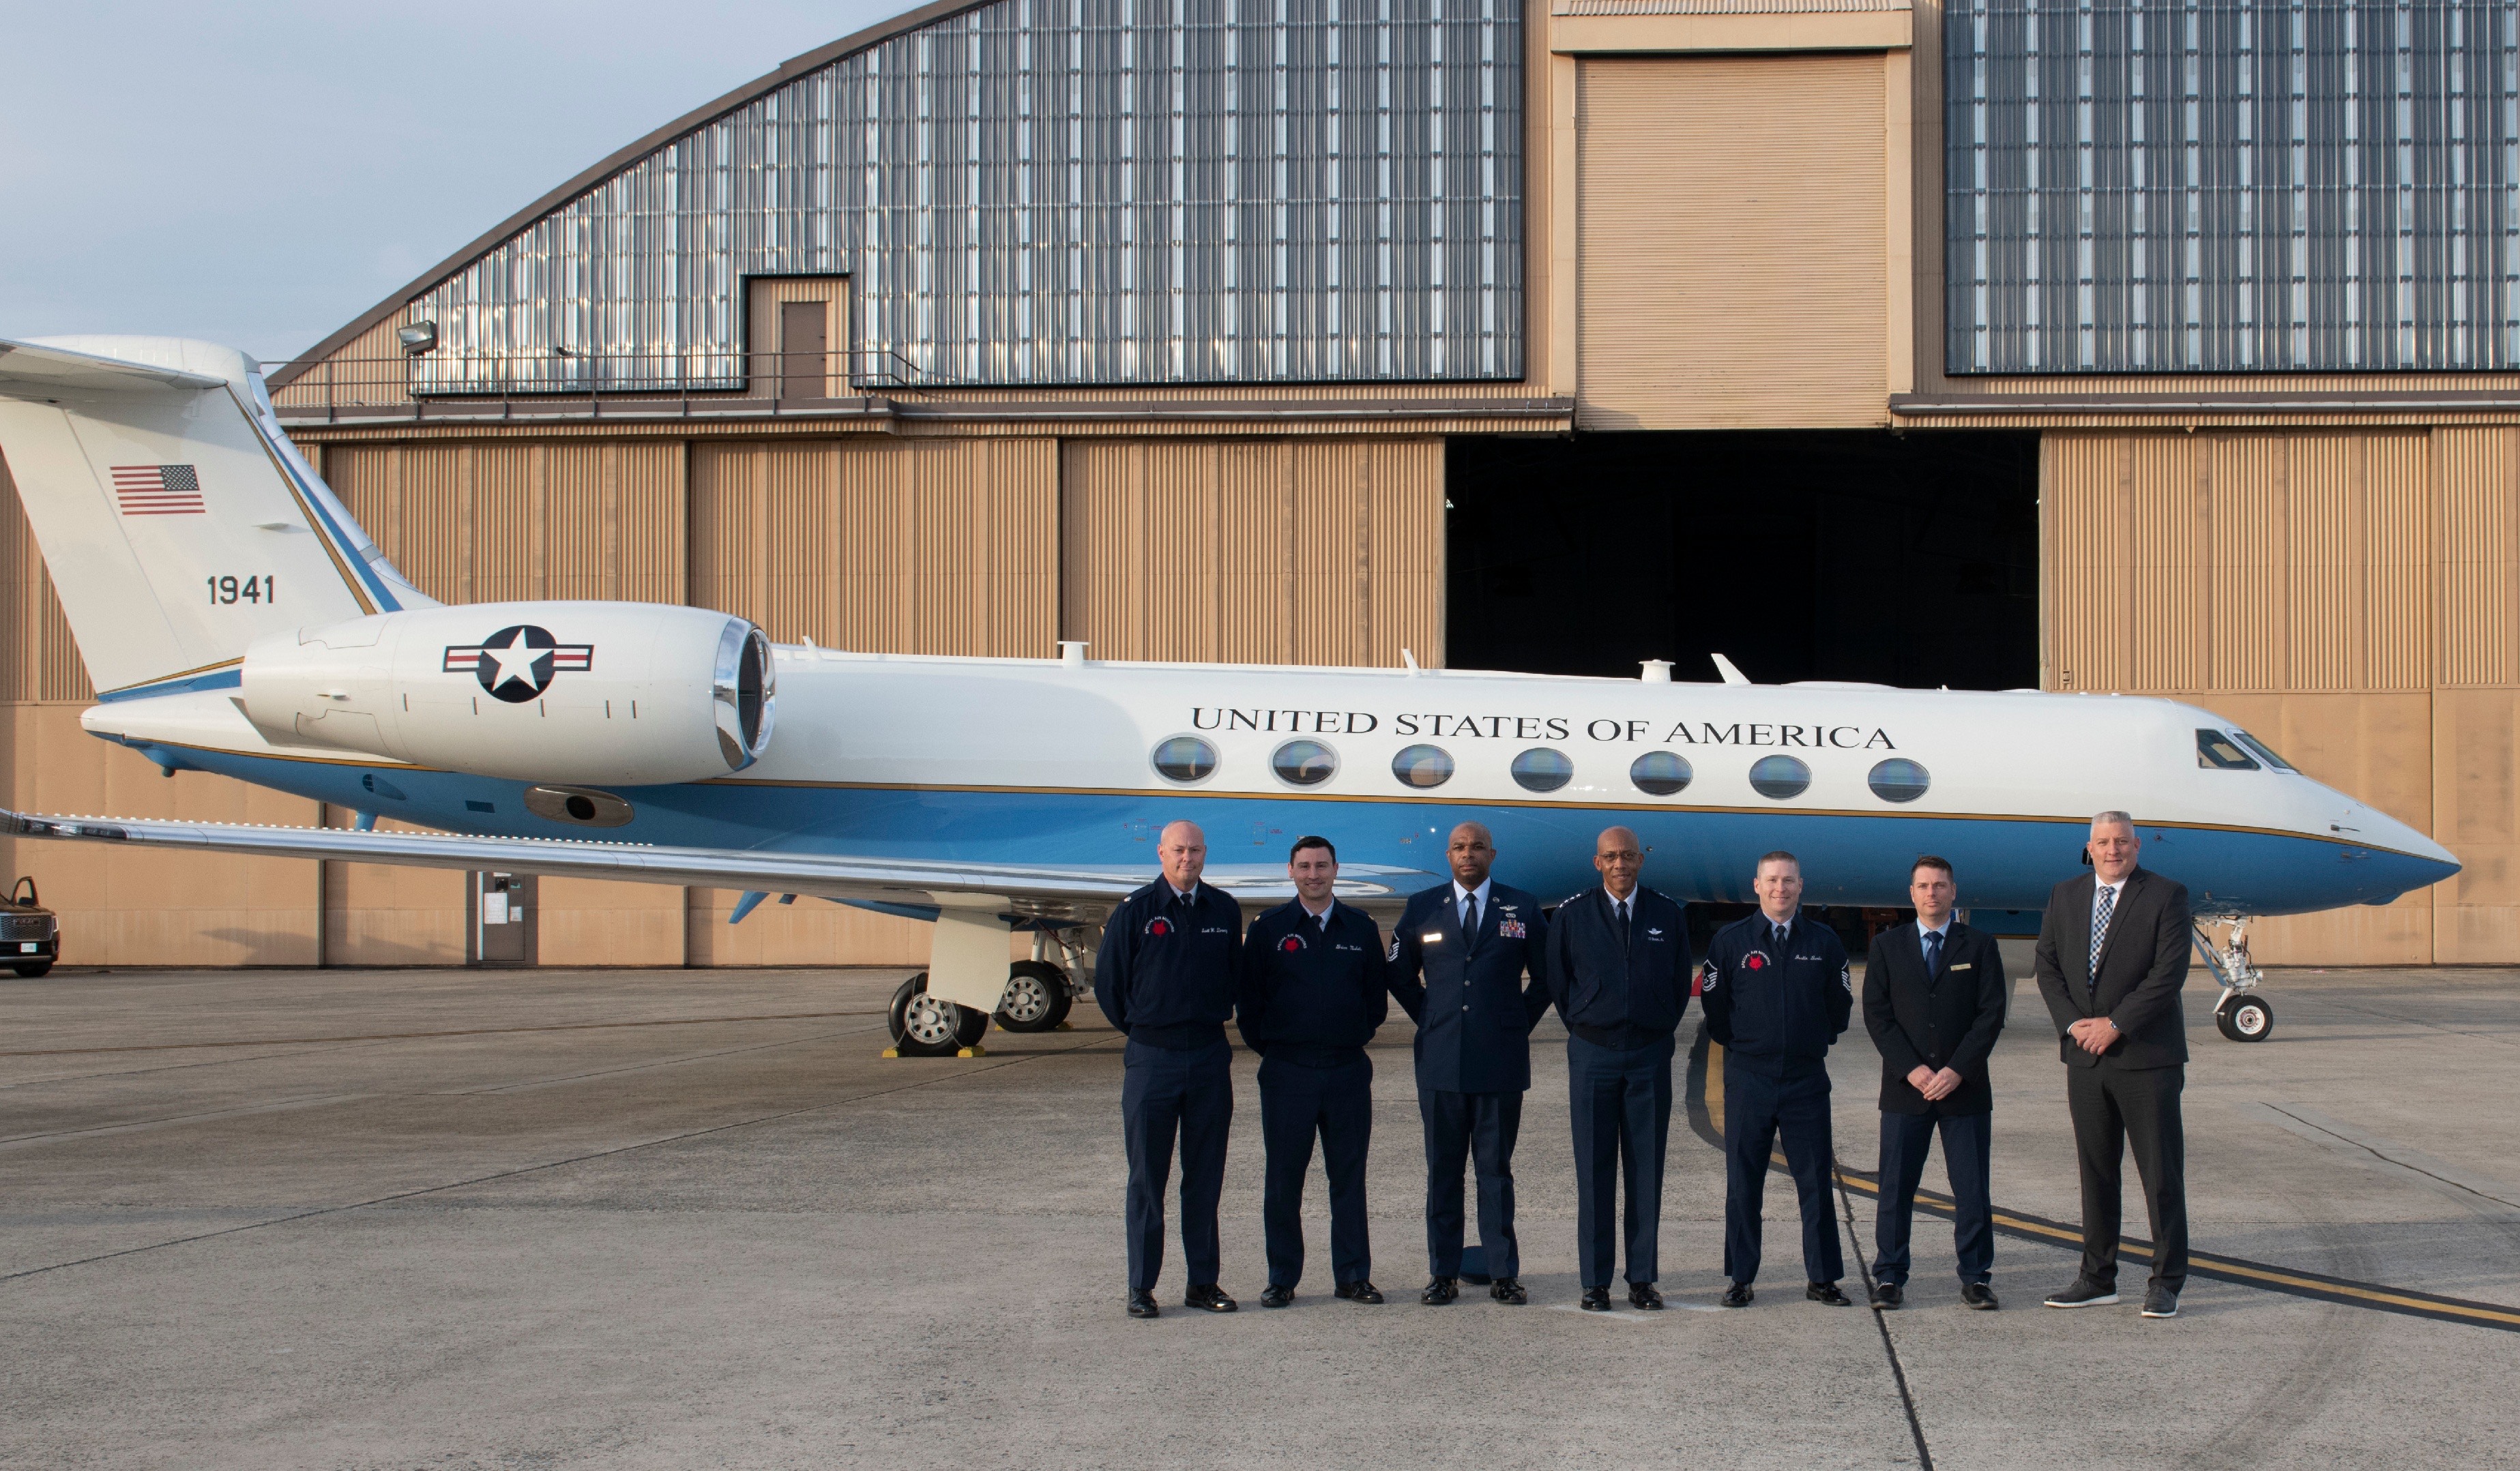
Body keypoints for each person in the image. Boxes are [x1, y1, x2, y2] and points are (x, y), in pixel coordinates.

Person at [1386, 821, 1553, 1305]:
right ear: (1448, 854)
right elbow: (1398, 972)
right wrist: (1431, 1017)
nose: (1468, 854)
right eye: (1459, 847)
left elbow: (1546, 978)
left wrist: (1515, 1021)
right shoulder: (1421, 907)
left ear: (1492, 854)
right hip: (1440, 1062)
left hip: (1499, 1061)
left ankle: (1503, 1271)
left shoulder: (1521, 907)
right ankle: (1443, 1272)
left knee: (1495, 1170)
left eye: (1477, 847)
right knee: (1443, 1171)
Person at [2034, 811, 2192, 1319]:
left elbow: (2168, 973)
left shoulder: (2166, 895)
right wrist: (2074, 1024)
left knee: (2160, 1173)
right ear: (2090, 846)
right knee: (2096, 1171)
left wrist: (2116, 1024)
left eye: (2122, 841)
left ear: (2137, 845)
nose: (2113, 849)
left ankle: (2166, 1281)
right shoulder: (2066, 894)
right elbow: (2048, 964)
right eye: (2103, 841)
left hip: (2147, 1058)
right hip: (2084, 1056)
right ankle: (2098, 1277)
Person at [1096, 819, 1244, 1319]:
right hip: (1151, 1060)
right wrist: (1147, 1031)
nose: (1188, 858)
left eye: (1196, 850)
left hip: (1207, 1055)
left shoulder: (1224, 908)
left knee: (1204, 1178)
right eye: (1178, 850)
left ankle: (1203, 1282)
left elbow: (1234, 978)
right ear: (1161, 852)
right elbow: (1110, 987)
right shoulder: (1135, 910)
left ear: (1206, 853)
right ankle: (1142, 1286)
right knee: (1148, 1178)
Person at [1237, 835, 1390, 1308]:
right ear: (1291, 871)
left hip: (1346, 1071)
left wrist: (1347, 1037)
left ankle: (1352, 1276)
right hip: (1288, 1072)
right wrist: (1282, 1048)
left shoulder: (1361, 928)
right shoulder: (1268, 929)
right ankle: (1282, 1276)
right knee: (1284, 1179)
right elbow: (1250, 1004)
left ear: (1336, 869)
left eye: (1322, 865)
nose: (1314, 874)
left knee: (1348, 1177)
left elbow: (1375, 1003)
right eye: (1304, 866)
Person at [1543, 825, 1692, 1311]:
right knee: (1594, 1170)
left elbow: (1676, 984)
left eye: (1628, 855)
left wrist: (1652, 1025)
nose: (1621, 863)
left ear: (1640, 860)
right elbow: (1560, 984)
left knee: (1646, 1171)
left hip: (1649, 1055)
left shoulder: (1667, 913)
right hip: (1593, 1055)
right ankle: (1595, 1281)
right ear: (1597, 862)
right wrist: (1592, 1024)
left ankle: (1643, 1278)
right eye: (1611, 856)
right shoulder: (1571, 915)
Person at [1701, 850, 1854, 1308]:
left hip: (1806, 1080)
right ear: (1757, 885)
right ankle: (1741, 1277)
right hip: (1749, 1078)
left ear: (1801, 886)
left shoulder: (1825, 942)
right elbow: (1716, 1009)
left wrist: (1810, 1040)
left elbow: (1839, 1007)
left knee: (1815, 1182)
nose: (1780, 888)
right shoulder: (1730, 942)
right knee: (1743, 1183)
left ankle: (1822, 1277)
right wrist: (1749, 1045)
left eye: (1789, 880)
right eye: (1772, 880)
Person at [1862, 855, 2008, 1310]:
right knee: (1895, 1188)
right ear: (1911, 892)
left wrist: (1956, 1069)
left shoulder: (1980, 945)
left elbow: (1990, 1016)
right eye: (1923, 886)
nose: (1932, 893)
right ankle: (1889, 1275)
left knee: (1971, 1188)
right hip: (1906, 1089)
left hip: (1963, 1088)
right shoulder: (1887, 946)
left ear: (1953, 891)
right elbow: (1877, 1016)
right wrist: (1914, 1069)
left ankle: (1976, 1276)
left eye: (1940, 885)